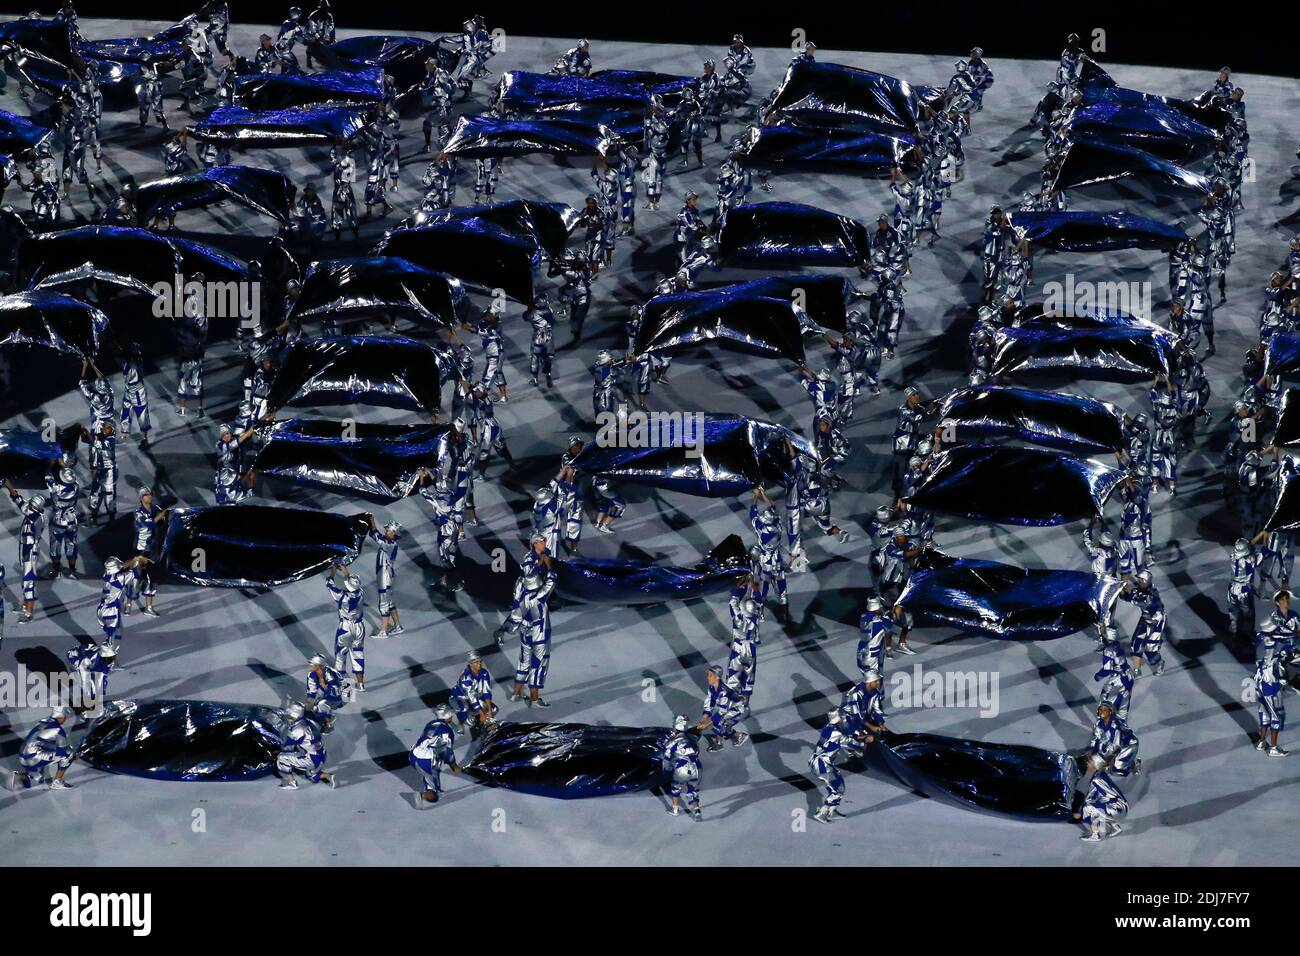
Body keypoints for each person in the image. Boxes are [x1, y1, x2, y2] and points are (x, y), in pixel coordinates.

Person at [1075, 702, 1140, 841]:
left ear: (1110, 712)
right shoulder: (1099, 725)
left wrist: (1101, 759)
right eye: (1099, 709)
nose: (1100, 711)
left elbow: (1114, 747)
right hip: (1119, 808)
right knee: (1098, 806)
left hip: (1128, 746)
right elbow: (1095, 741)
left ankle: (1095, 835)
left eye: (1104, 709)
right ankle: (1115, 827)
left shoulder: (1115, 726)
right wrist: (1091, 753)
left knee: (1089, 807)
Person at [11, 707, 76, 791]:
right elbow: (61, 752)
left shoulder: (42, 721)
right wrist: (74, 756)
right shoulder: (59, 730)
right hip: (33, 758)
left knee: (40, 778)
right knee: (68, 753)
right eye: (65, 717)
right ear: (61, 716)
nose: (66, 719)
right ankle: (57, 782)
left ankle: (23, 776)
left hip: (22, 756)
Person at [276, 702, 337, 789]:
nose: (289, 717)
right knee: (312, 776)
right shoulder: (308, 721)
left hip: (310, 758)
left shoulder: (298, 730)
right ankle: (328, 776)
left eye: (290, 715)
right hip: (322, 755)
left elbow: (287, 746)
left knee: (281, 758)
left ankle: (292, 783)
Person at [326, 565, 366, 691]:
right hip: (359, 627)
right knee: (357, 654)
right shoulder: (360, 592)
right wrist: (346, 571)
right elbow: (354, 584)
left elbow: (329, 584)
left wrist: (332, 572)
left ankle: (342, 685)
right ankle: (360, 684)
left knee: (340, 654)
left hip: (345, 627)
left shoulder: (342, 596)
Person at [410, 705, 459, 803]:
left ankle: (430, 789)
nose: (452, 717)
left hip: (414, 753)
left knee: (429, 778)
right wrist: (453, 765)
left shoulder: (431, 723)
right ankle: (422, 796)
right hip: (426, 759)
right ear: (447, 716)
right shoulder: (446, 731)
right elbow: (446, 751)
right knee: (434, 794)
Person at [694, 665, 748, 751]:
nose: (708, 677)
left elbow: (722, 712)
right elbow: (709, 704)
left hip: (737, 709)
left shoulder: (724, 691)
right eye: (708, 675)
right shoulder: (711, 688)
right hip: (726, 710)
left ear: (717, 677)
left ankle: (719, 744)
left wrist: (705, 724)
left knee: (721, 723)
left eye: (710, 675)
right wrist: (703, 719)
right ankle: (739, 735)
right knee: (717, 724)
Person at [367, 517, 403, 637]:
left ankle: (383, 631)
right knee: (389, 601)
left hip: (384, 575)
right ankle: (398, 626)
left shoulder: (388, 544)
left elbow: (374, 534)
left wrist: (371, 520)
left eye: (389, 531)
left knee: (383, 603)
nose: (386, 532)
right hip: (387, 574)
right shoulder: (391, 543)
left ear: (394, 533)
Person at [662, 715, 702, 819]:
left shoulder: (673, 741)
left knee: (676, 788)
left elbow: (667, 758)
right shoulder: (693, 738)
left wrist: (666, 771)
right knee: (693, 790)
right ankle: (697, 812)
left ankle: (676, 810)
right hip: (697, 767)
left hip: (682, 767)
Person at [450, 651, 497, 731]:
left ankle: (482, 722)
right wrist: (482, 714)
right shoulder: (466, 678)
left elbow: (486, 691)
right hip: (460, 697)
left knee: (493, 709)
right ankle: (461, 722)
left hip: (475, 696)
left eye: (480, 661)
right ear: (471, 664)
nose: (479, 664)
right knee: (468, 716)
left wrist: (489, 710)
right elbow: (471, 698)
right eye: (476, 662)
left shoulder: (484, 673)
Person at [305, 654, 346, 730]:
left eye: (313, 665)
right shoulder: (311, 675)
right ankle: (322, 718)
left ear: (319, 667)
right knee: (315, 707)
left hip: (344, 693)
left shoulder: (330, 675)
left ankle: (329, 724)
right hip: (330, 692)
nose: (310, 666)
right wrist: (307, 708)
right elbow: (311, 692)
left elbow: (336, 693)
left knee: (322, 704)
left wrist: (321, 702)